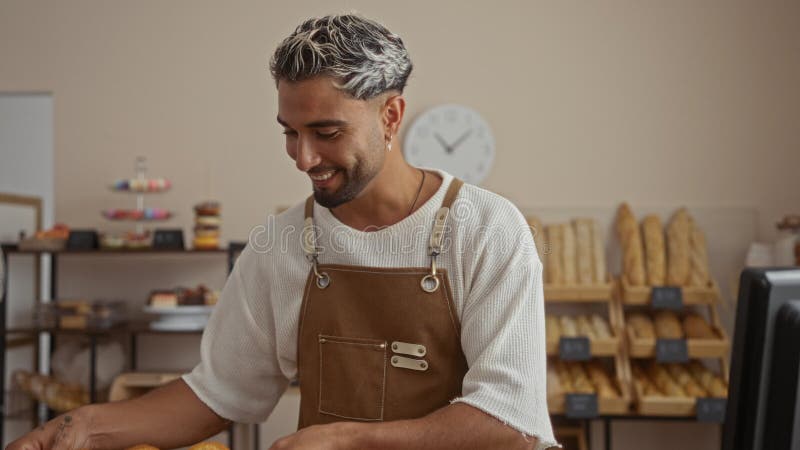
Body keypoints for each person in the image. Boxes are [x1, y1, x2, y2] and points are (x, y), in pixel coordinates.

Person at [7, 14, 556, 450]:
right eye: (290, 133)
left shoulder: (485, 228)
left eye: (326, 132)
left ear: (391, 116)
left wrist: (347, 440)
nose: (303, 158)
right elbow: (217, 392)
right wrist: (82, 428)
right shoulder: (283, 244)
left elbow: (509, 421)